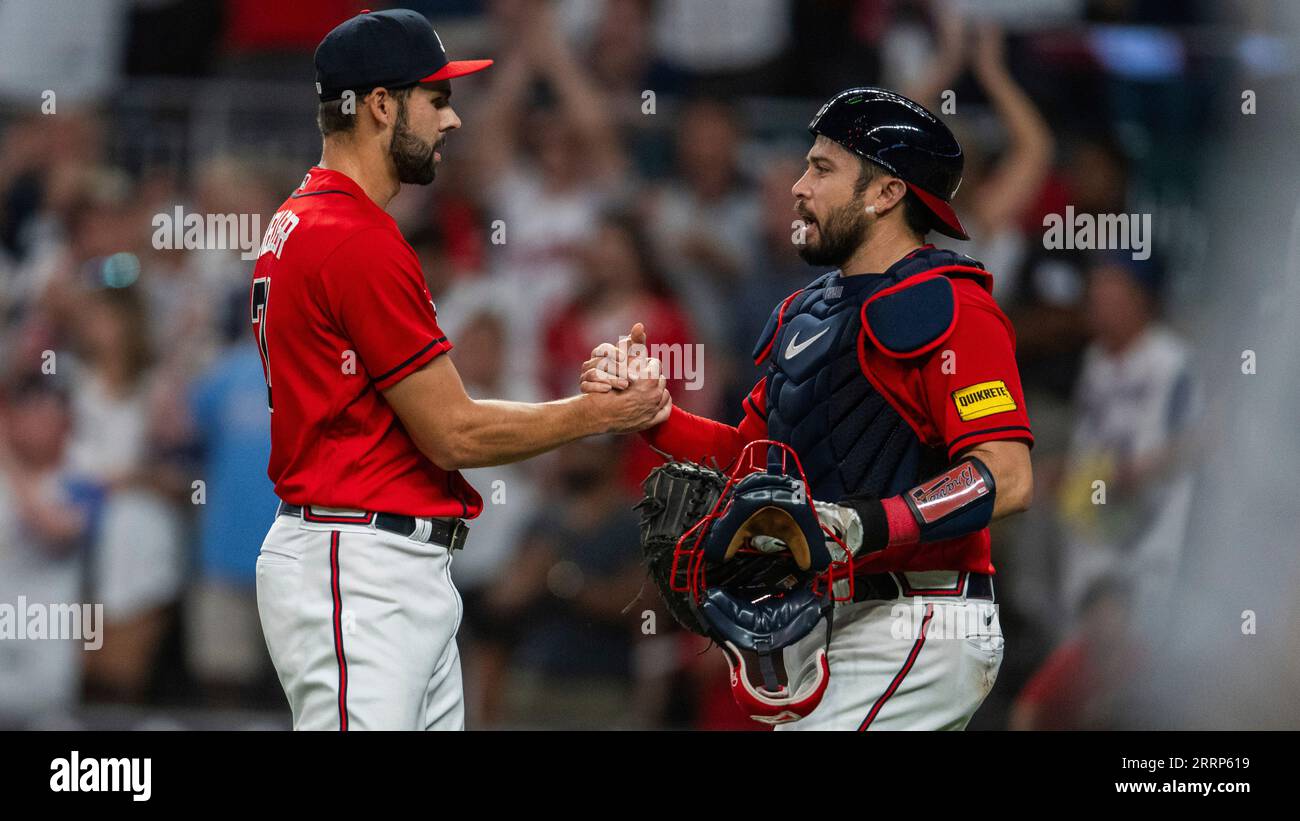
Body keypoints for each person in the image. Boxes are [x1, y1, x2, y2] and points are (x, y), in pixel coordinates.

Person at [251, 9, 669, 731]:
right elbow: (454, 432)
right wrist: (599, 414)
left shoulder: (305, 218)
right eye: (436, 99)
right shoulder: (353, 237)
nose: (453, 121)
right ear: (382, 105)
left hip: (383, 559)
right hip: (358, 563)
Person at [583, 87, 1034, 730]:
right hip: (832, 620)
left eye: (822, 168)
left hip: (922, 616)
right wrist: (654, 416)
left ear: (887, 193)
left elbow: (1005, 476)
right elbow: (752, 459)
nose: (797, 186)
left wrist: (863, 525)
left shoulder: (951, 308)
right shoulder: (805, 312)